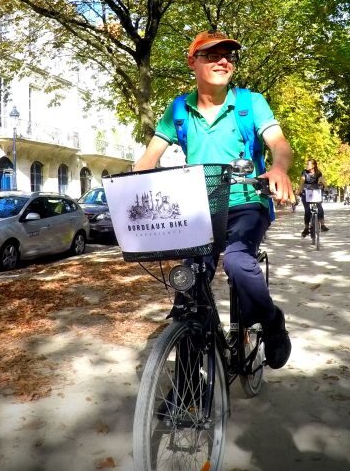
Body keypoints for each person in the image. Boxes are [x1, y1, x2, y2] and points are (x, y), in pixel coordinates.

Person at [133, 30, 296, 369]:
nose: (224, 60)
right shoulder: (178, 109)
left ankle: (271, 320)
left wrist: (279, 169)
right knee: (189, 287)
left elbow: (280, 145)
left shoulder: (251, 103)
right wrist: (132, 192)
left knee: (237, 262)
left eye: (230, 55)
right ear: (192, 62)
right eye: (212, 54)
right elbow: (147, 160)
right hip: (198, 209)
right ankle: (186, 394)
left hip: (246, 203)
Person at [297, 158, 329, 237]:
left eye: (308, 164)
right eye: (306, 164)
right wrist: (299, 191)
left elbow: (323, 181)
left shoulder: (318, 173)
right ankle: (306, 228)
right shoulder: (304, 172)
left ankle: (322, 225)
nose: (306, 165)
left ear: (313, 165)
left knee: (320, 207)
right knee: (307, 210)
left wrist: (326, 187)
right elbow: (302, 183)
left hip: (315, 193)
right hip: (306, 192)